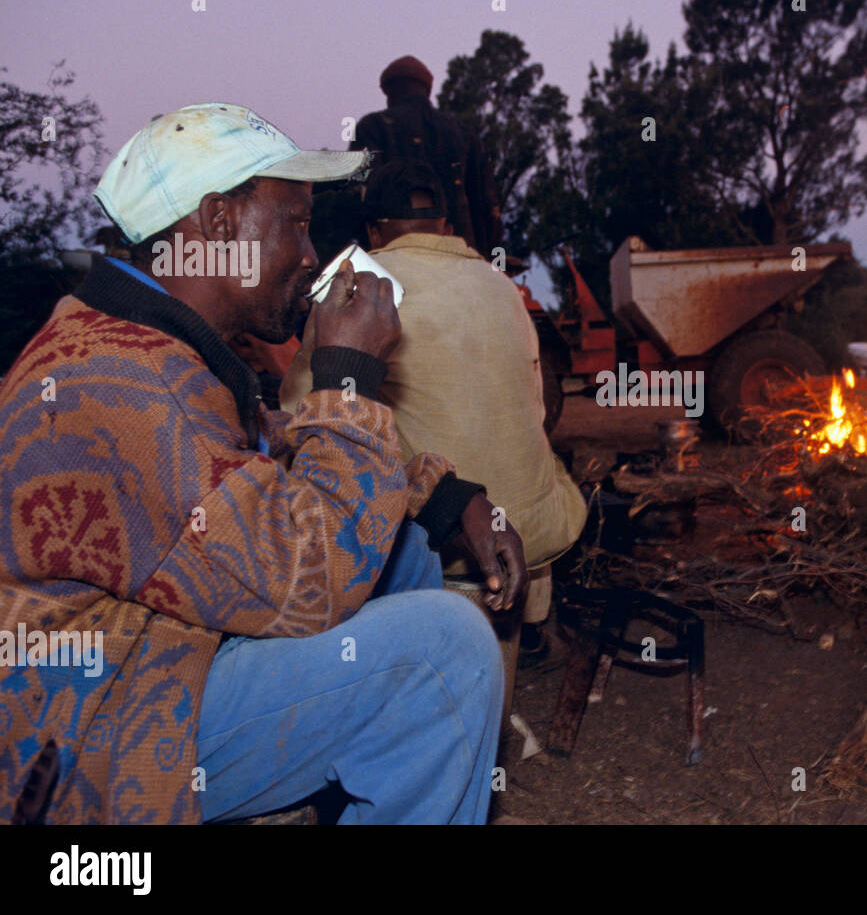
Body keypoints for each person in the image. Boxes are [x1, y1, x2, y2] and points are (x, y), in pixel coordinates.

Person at [0, 103, 526, 825]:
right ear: (218, 225)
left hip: (145, 646)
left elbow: (269, 451)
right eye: (295, 223)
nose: (311, 254)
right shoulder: (122, 385)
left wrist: (442, 497)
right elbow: (309, 582)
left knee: (402, 549)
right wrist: (345, 379)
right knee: (445, 654)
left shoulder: (143, 342)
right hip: (87, 730)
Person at [282, 160, 587, 714]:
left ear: (375, 231)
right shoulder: (503, 286)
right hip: (527, 524)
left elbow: (303, 414)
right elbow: (539, 408)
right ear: (444, 226)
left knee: (324, 461)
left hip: (439, 539)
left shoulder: (352, 284)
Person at [351, 55, 504, 257]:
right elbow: (488, 209)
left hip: (394, 263)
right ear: (427, 90)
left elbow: (356, 203)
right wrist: (487, 262)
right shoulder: (465, 134)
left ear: (389, 90)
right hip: (462, 263)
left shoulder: (372, 127)